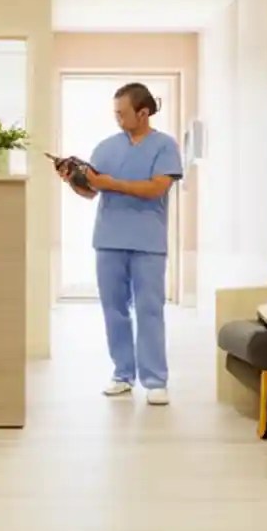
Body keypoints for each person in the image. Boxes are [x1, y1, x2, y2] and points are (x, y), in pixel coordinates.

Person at [60, 82, 183, 406]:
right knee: (114, 310)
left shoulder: (165, 146)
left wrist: (112, 182)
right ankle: (122, 374)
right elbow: (91, 191)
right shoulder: (105, 147)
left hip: (147, 243)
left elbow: (157, 188)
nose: (117, 118)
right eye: (115, 112)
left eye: (122, 112)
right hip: (109, 239)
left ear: (143, 113)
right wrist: (73, 181)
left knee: (149, 310)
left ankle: (156, 380)